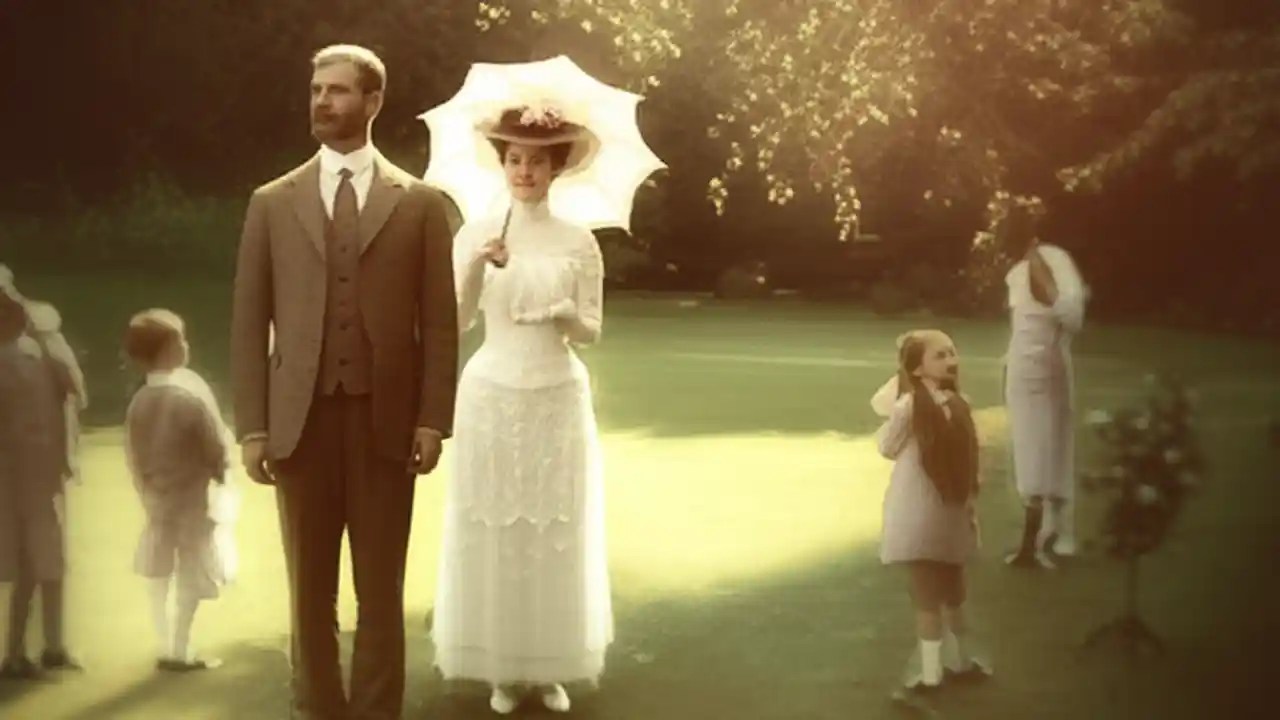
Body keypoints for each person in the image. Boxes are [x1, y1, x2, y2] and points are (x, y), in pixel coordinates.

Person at [230, 44, 458, 719]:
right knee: (308, 590)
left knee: (381, 590)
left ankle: (377, 711)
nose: (322, 102)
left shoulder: (417, 204)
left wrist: (430, 419)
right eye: (315, 90)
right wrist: (252, 426)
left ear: (372, 102)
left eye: (337, 91)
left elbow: (439, 325)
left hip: (386, 424)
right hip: (298, 424)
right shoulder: (272, 202)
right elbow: (249, 322)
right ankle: (317, 708)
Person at [431, 106, 612, 715]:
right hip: (491, 390)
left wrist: (561, 310)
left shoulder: (578, 239)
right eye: (514, 160)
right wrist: (477, 263)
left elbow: (591, 328)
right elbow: (453, 322)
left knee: (553, 528)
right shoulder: (478, 231)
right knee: (495, 527)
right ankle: (503, 670)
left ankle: (549, 666)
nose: (524, 170)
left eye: (536, 161)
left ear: (556, 168)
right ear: (501, 164)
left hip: (556, 393)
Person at [872, 330, 990, 700]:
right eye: (941, 355)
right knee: (953, 590)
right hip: (952, 509)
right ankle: (960, 660)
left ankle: (931, 672)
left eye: (951, 353)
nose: (951, 360)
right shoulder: (960, 404)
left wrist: (899, 396)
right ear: (920, 367)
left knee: (926, 596)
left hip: (918, 509)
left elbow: (886, 447)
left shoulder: (910, 406)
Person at [123, 309, 238, 671]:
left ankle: (163, 642)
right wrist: (222, 475)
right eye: (180, 340)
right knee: (190, 572)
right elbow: (215, 448)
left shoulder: (139, 401)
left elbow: (135, 454)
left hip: (158, 501)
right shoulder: (189, 400)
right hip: (191, 500)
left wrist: (147, 487)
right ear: (170, 350)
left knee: (159, 571)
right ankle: (180, 645)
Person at [0, 277, 81, 678]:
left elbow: (74, 389)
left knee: (49, 562)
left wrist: (48, 336)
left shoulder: (41, 346)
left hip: (43, 471)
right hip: (13, 476)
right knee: (26, 564)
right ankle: (16, 652)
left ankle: (52, 646)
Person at [1002, 225, 1087, 568]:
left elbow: (1072, 317)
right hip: (1023, 368)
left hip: (1052, 368)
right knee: (1028, 445)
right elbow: (1020, 326)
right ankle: (1033, 539)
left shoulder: (1057, 262)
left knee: (1055, 443)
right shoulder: (1015, 273)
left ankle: (1057, 531)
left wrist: (1043, 275)